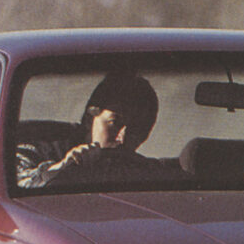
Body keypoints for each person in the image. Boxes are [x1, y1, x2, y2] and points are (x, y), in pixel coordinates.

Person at [16, 72, 160, 188]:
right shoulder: (39, 147)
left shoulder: (144, 171)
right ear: (90, 119)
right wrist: (61, 169)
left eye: (136, 130)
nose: (122, 138)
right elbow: (20, 183)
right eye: (114, 123)